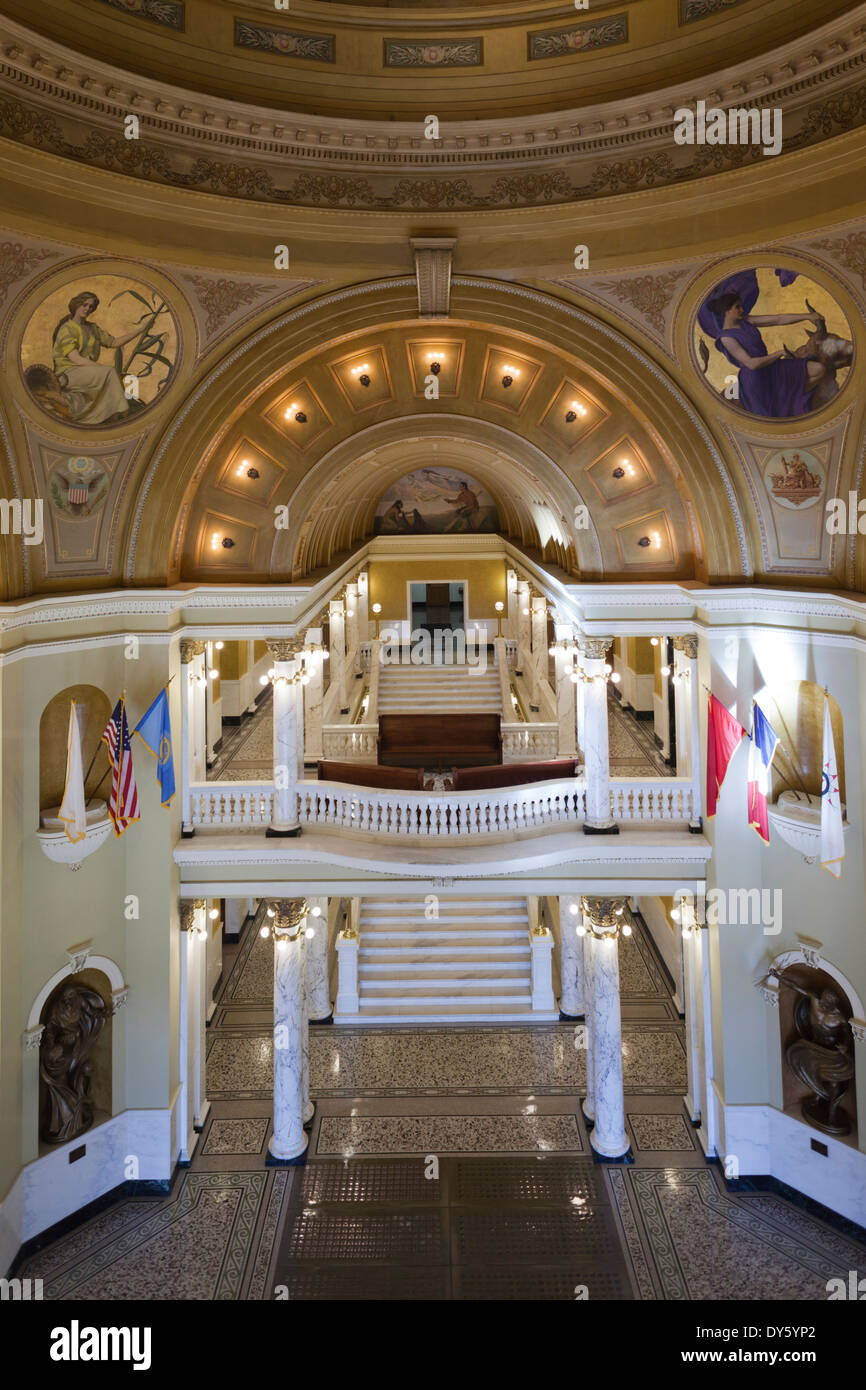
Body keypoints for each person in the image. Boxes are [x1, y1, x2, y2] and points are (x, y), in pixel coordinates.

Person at [705, 290, 826, 418]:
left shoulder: (746, 321)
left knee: (819, 369)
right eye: (737, 307)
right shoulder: (726, 338)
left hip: (772, 368)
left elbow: (778, 319)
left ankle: (787, 400)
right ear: (727, 311)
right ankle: (785, 405)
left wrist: (807, 316)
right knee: (769, 417)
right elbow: (751, 364)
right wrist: (779, 353)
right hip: (756, 379)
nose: (742, 309)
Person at [51, 291, 143, 425]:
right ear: (76, 305)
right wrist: (101, 368)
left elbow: (114, 342)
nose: (87, 309)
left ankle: (113, 414)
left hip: (87, 372)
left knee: (113, 374)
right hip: (68, 373)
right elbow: (76, 359)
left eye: (91, 307)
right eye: (84, 305)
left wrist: (141, 329)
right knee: (110, 372)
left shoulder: (92, 328)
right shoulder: (67, 329)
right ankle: (122, 413)